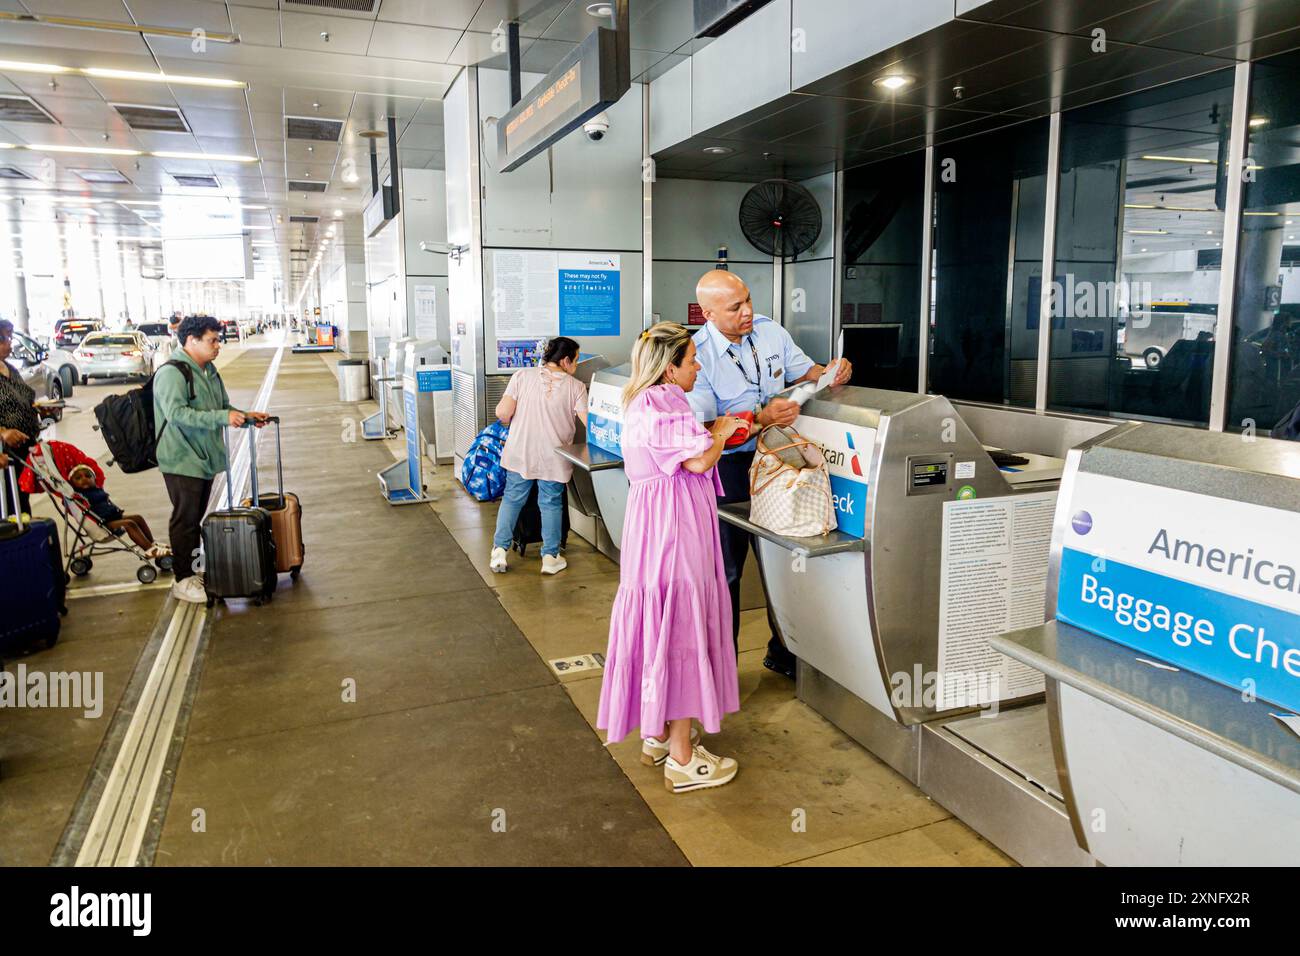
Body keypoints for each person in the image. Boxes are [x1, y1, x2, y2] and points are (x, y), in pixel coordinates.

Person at [598, 322, 747, 792]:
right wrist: (720, 432)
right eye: (691, 360)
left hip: (651, 530)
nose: (698, 366)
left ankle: (658, 733)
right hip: (677, 533)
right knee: (682, 626)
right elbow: (699, 462)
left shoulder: (641, 401)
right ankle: (683, 758)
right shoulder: (667, 401)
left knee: (657, 624)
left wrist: (707, 434)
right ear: (669, 368)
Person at [685, 270, 853, 679]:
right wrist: (760, 417)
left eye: (748, 300)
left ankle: (785, 652)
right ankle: (721, 672)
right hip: (727, 468)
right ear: (708, 313)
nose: (748, 311)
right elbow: (704, 432)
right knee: (726, 570)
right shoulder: (696, 356)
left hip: (777, 462)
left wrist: (829, 371)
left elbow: (804, 371)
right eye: (735, 307)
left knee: (778, 562)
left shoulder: (770, 332)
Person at [155, 315, 269, 603]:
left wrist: (244, 417)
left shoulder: (208, 370)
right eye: (213, 340)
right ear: (192, 341)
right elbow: (176, 414)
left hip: (202, 454)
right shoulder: (172, 372)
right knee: (186, 519)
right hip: (181, 456)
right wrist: (223, 416)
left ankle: (192, 571)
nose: (218, 345)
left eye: (218, 339)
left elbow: (221, 407)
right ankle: (182, 579)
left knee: (194, 517)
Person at [489, 336, 588, 575]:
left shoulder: (522, 376)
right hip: (554, 456)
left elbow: (502, 412)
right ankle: (550, 557)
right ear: (565, 360)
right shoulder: (576, 387)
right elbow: (590, 423)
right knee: (551, 503)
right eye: (575, 360)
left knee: (512, 499)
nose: (576, 365)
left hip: (521, 451)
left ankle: (499, 552)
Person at [67, 464, 169, 558]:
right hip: (104, 523)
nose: (84, 479)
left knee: (137, 517)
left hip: (113, 516)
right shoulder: (80, 496)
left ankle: (152, 543)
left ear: (94, 478)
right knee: (129, 523)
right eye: (78, 478)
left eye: (88, 476)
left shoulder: (97, 489)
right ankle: (149, 550)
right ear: (73, 483)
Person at [0, 318, 43, 517]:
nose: (9, 342)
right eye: (3, 338)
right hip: (3, 455)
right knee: (7, 511)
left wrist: (39, 409)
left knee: (21, 508)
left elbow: (23, 398)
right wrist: (3, 433)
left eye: (9, 337)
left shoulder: (10, 368)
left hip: (21, 453)